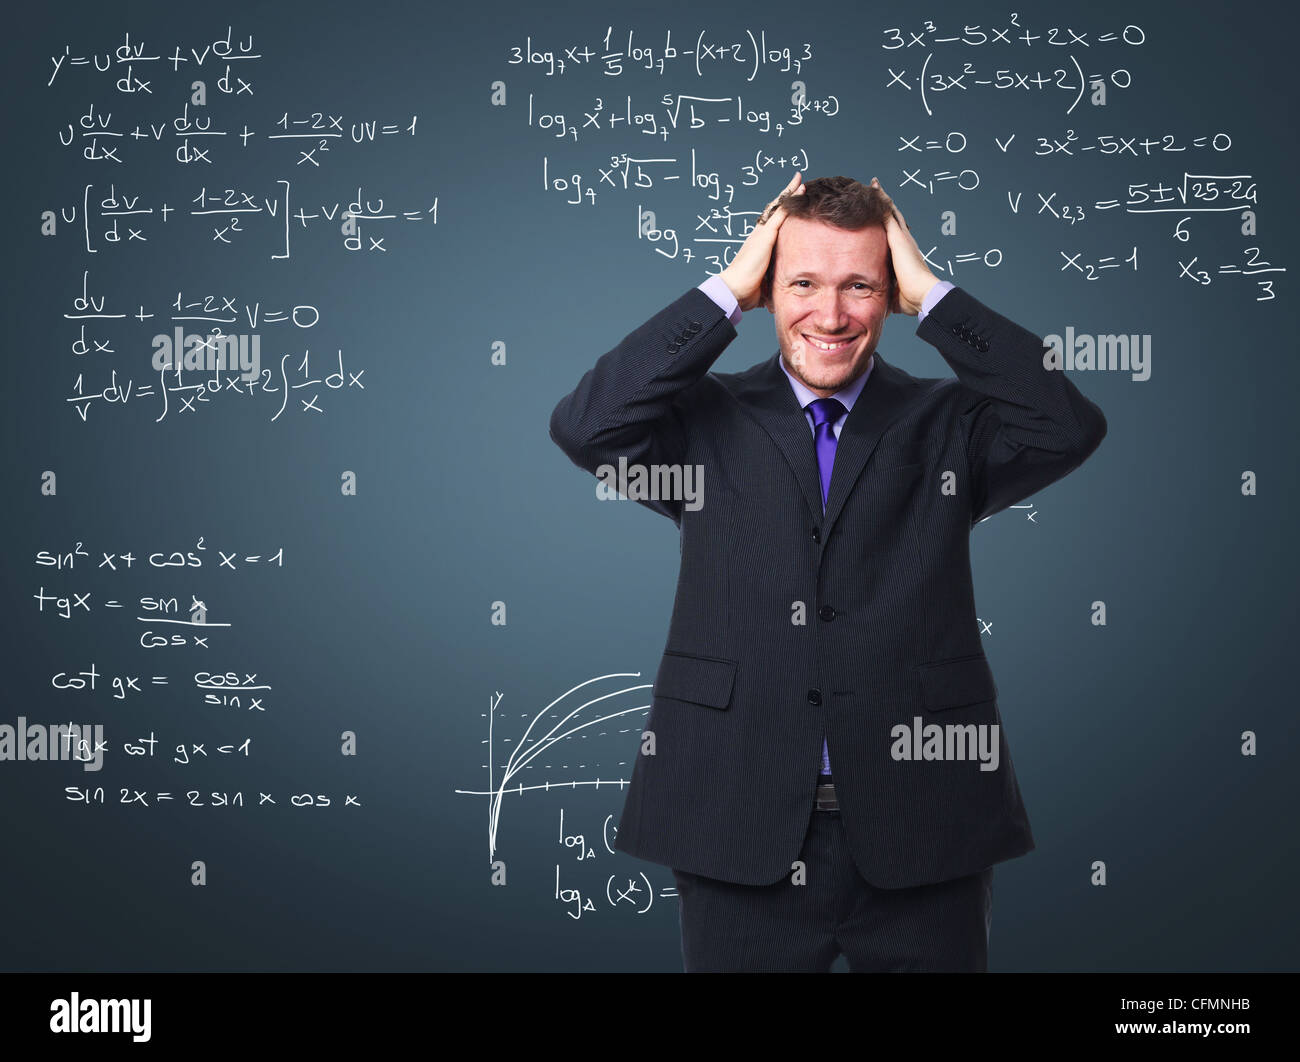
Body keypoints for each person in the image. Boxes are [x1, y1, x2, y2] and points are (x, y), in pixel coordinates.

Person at [549, 173, 1107, 972]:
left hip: (926, 827)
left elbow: (1067, 426)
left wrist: (937, 296)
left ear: (891, 296)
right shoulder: (704, 423)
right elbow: (586, 425)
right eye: (802, 283)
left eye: (861, 286)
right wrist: (725, 291)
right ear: (768, 290)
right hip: (733, 823)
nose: (832, 315)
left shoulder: (948, 424)